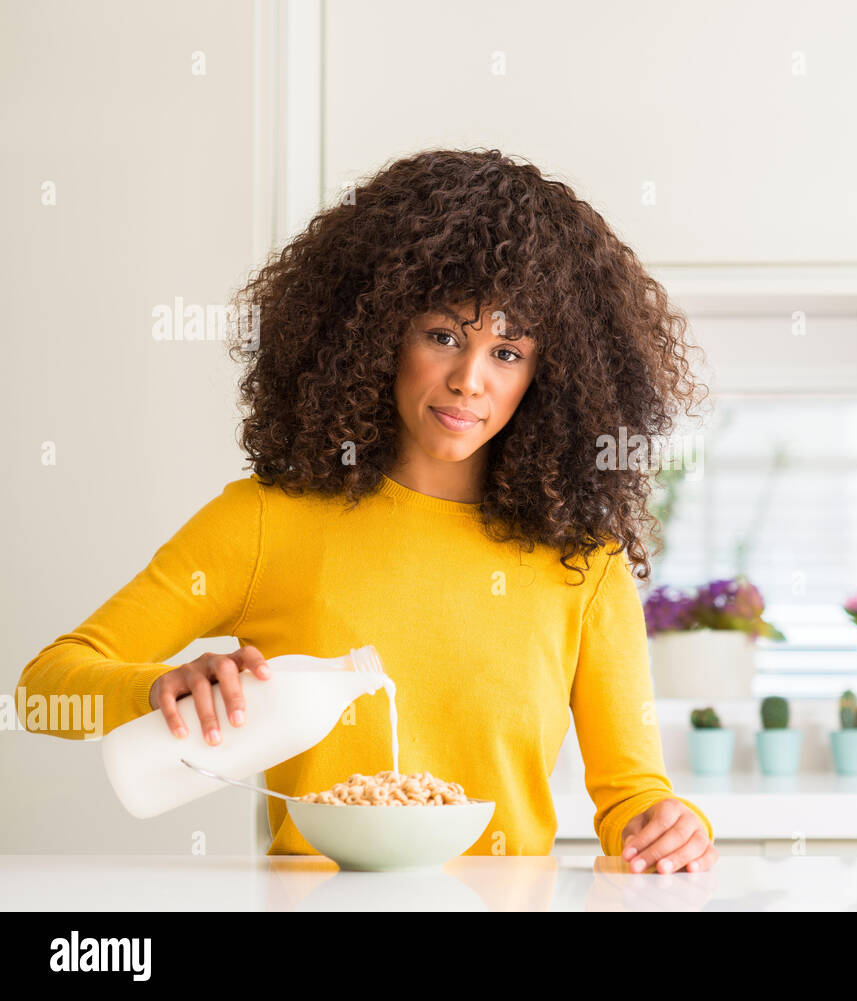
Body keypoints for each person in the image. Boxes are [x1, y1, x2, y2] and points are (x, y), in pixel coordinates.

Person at [17, 148, 716, 874]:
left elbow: (633, 793)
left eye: (507, 352)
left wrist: (670, 825)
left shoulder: (583, 560)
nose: (468, 380)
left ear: (551, 374)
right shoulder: (268, 521)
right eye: (443, 335)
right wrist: (157, 689)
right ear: (378, 330)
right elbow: (44, 688)